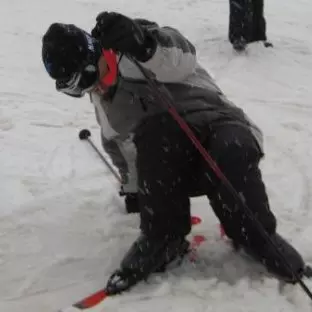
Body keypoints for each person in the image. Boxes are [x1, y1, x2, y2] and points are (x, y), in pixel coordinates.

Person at [41, 12, 306, 294]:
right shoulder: (106, 102)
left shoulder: (133, 51)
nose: (91, 88)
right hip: (176, 164)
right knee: (155, 134)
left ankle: (257, 236)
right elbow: (117, 146)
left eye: (87, 77)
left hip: (219, 125)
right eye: (74, 89)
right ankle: (164, 238)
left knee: (230, 149)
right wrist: (135, 192)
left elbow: (183, 56)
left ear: (96, 53)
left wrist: (144, 44)